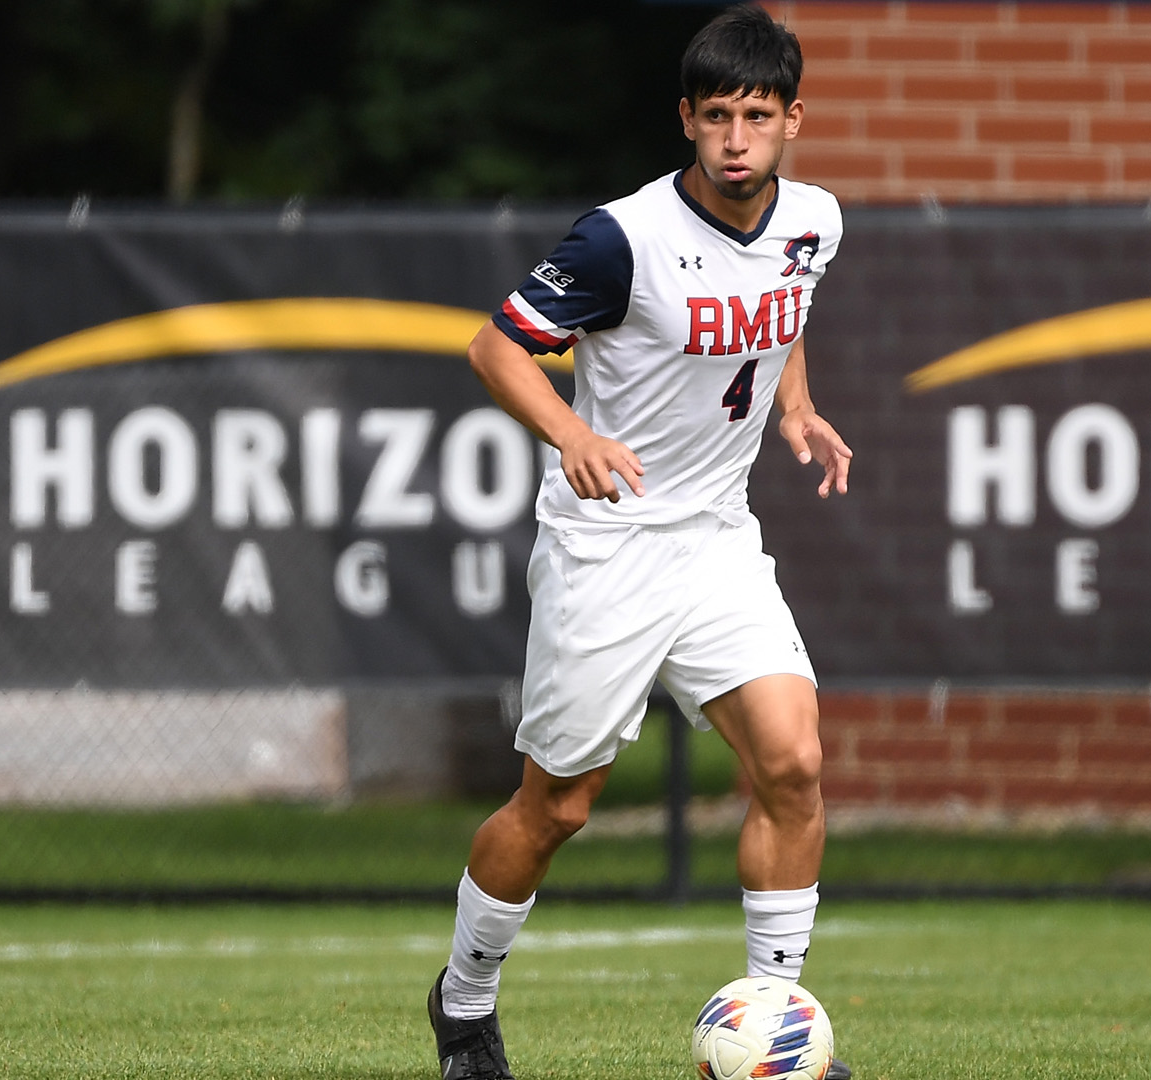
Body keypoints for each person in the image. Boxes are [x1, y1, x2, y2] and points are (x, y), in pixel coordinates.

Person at [424, 7, 853, 1080]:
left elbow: (784, 308)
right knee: (557, 805)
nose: (738, 138)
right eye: (718, 117)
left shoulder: (815, 221)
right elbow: (497, 346)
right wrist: (571, 431)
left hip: (716, 538)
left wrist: (795, 407)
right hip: (608, 549)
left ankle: (779, 1028)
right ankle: (464, 1002)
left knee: (794, 761)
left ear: (793, 119)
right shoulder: (622, 238)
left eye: (759, 115)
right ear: (688, 122)